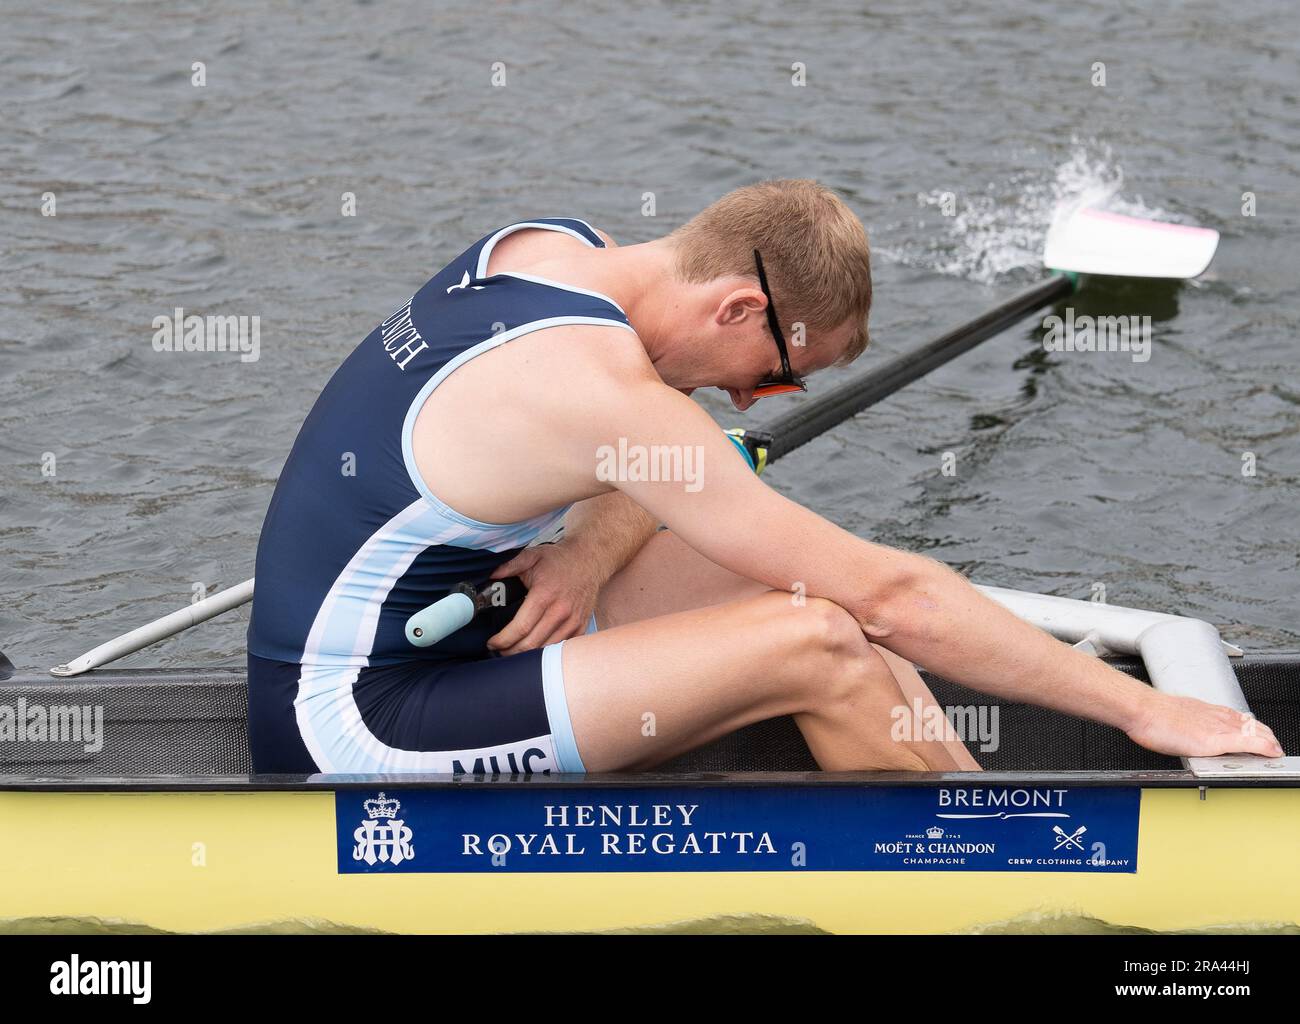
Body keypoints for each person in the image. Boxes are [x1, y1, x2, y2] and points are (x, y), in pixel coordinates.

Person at [245, 179, 1282, 775]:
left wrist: (588, 554)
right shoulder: (602, 388)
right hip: (346, 724)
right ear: (741, 309)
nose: (749, 399)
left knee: (789, 584)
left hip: (464, 628)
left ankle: (953, 800)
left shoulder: (549, 248)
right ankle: (987, 875)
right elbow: (894, 594)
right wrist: (1140, 710)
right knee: (825, 634)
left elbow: (622, 458)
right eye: (778, 372)